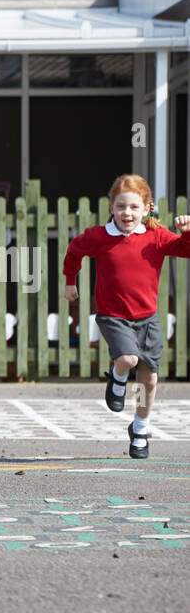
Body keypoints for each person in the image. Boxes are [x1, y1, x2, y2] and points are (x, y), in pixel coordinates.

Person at [62, 174, 190, 458]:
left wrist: (187, 232)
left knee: (149, 379)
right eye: (121, 206)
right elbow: (74, 251)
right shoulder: (100, 236)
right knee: (127, 359)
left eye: (134, 207)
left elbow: (186, 249)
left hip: (148, 319)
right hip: (113, 316)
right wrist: (70, 281)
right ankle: (117, 380)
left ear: (147, 209)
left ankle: (140, 430)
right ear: (111, 207)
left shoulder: (156, 237)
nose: (127, 213)